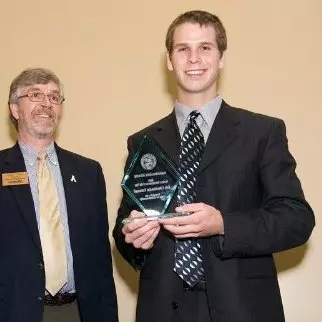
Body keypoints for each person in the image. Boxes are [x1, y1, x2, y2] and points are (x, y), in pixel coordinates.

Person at [113, 10, 315, 322]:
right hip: (164, 309)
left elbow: (296, 219)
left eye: (205, 47)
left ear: (221, 58)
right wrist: (134, 238)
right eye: (183, 49)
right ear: (170, 60)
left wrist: (224, 224)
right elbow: (125, 227)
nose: (194, 59)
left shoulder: (262, 132)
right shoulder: (141, 141)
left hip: (243, 308)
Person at [0, 68, 118, 322]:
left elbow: (100, 259)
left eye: (54, 97)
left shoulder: (89, 172)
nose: (46, 104)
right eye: (35, 95)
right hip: (13, 312)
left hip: (77, 311)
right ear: (15, 109)